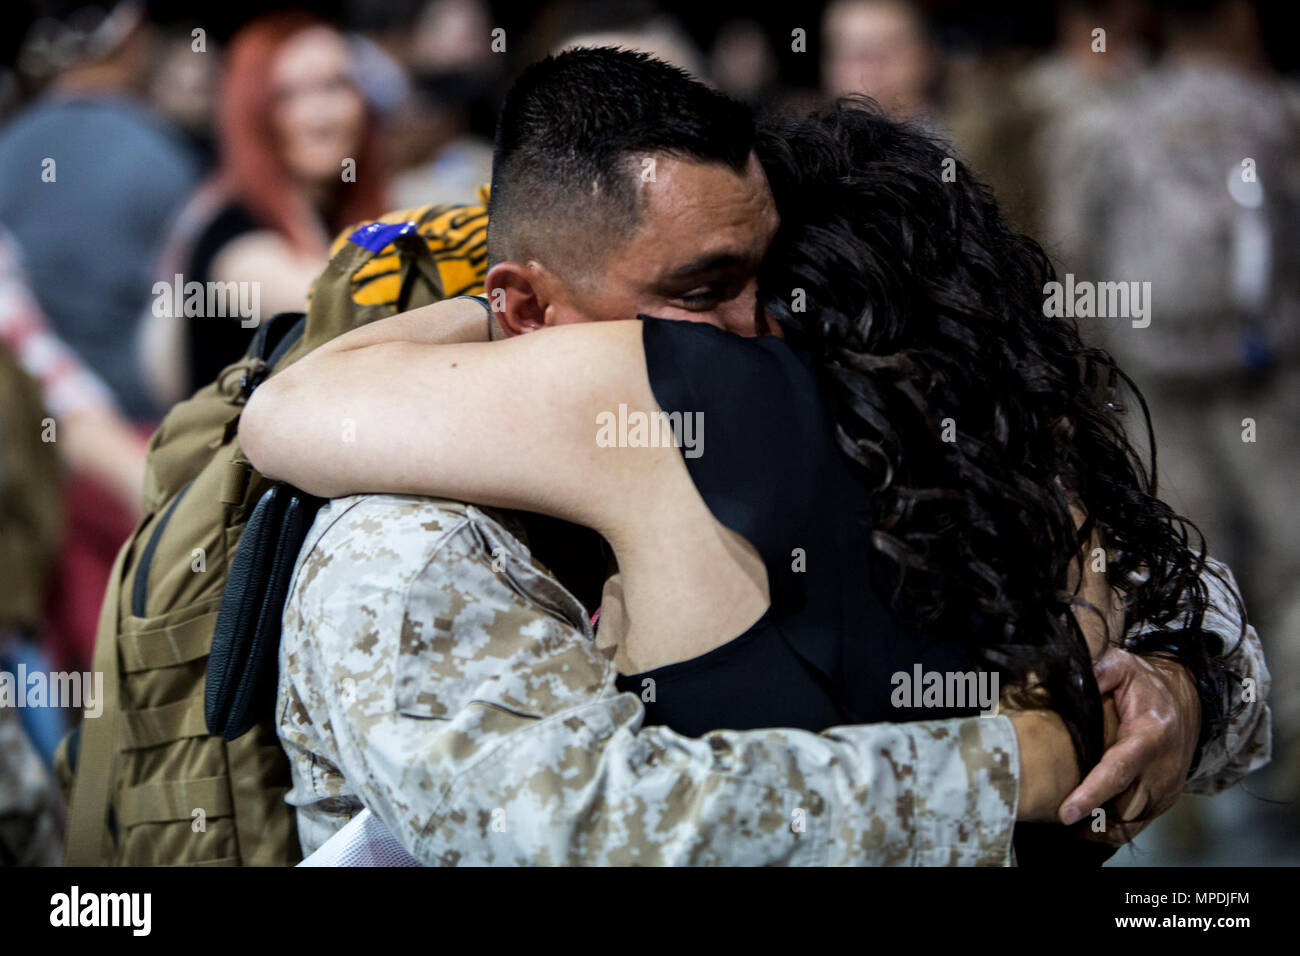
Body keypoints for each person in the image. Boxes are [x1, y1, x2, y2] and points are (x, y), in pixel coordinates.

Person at [242, 50, 1269, 864]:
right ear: (525, 307)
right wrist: (1009, 766)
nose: (752, 326)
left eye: (767, 278)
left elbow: (1192, 605)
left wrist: (1179, 690)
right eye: (699, 291)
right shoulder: (415, 541)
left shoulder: (837, 411)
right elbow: (573, 834)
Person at [142, 12, 388, 405]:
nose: (319, 114)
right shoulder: (232, 231)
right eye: (287, 95)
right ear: (251, 113)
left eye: (334, 86)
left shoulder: (332, 216)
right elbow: (347, 311)